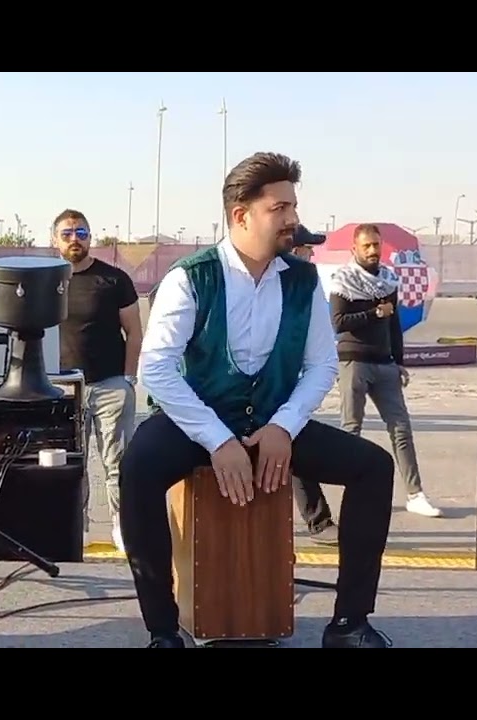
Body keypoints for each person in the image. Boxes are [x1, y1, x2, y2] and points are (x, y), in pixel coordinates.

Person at [121, 152, 394, 649]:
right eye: (280, 208)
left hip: (272, 420)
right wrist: (217, 439)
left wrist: (283, 427)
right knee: (138, 467)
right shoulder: (191, 277)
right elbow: (155, 369)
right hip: (197, 421)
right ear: (240, 215)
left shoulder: (303, 279)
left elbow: (322, 365)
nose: (293, 218)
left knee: (373, 467)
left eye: (293, 206)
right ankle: (162, 630)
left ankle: (350, 622)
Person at [324, 224, 440, 519]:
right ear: (355, 249)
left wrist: (399, 361)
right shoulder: (343, 280)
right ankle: (354, 495)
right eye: (367, 246)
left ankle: (415, 494)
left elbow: (393, 326)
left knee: (401, 428)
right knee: (352, 431)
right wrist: (373, 313)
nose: (373, 251)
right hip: (354, 362)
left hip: (385, 363)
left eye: (376, 245)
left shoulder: (389, 281)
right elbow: (338, 322)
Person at [53, 209, 142, 551]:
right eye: (67, 233)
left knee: (118, 464)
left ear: (91, 237)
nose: (75, 239)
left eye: (81, 232)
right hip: (64, 388)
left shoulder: (115, 280)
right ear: (55, 239)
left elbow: (134, 332)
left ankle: (122, 527)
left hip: (110, 385)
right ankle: (80, 524)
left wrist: (129, 379)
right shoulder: (49, 281)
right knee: (72, 462)